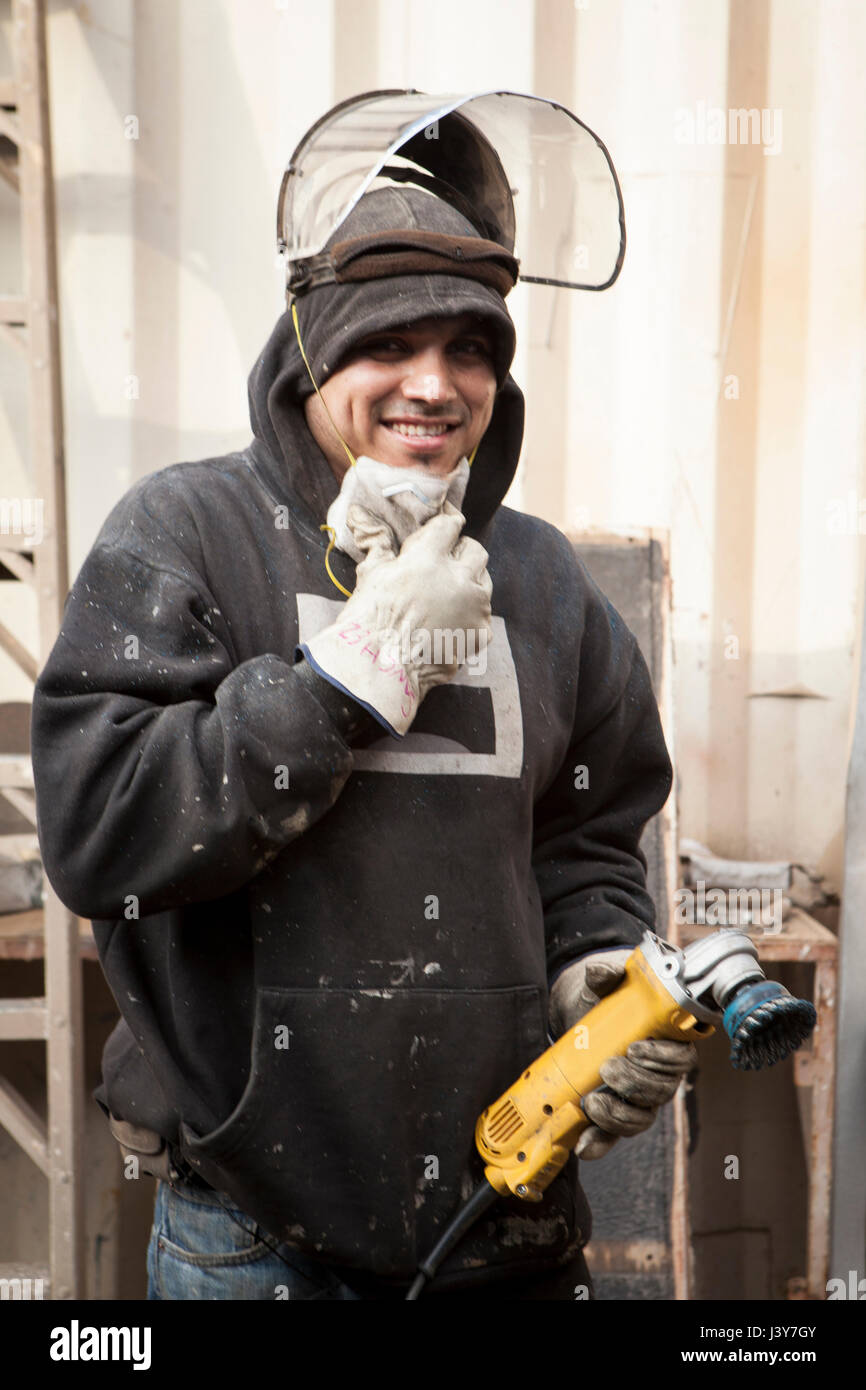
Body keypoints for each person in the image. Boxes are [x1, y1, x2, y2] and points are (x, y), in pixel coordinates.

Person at [30, 169, 693, 1300]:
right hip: (250, 1241)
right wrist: (350, 675)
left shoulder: (540, 580)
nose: (433, 386)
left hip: (507, 1221)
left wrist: (591, 972)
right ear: (311, 356)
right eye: (390, 344)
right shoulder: (184, 532)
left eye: (470, 351)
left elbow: (584, 839)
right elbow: (102, 838)